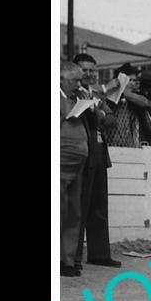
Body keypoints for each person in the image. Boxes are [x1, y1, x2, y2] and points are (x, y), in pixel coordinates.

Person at [71, 53, 121, 270]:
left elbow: (111, 120)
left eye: (93, 70)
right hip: (82, 152)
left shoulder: (96, 95)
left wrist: (98, 112)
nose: (89, 74)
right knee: (79, 205)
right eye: (85, 70)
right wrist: (97, 114)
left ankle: (99, 253)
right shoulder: (70, 94)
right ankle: (73, 256)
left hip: (100, 152)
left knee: (99, 205)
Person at [60, 60, 90, 277]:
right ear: (61, 79)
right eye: (75, 80)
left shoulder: (77, 97)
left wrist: (89, 104)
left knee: (73, 212)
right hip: (60, 160)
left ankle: (68, 259)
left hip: (77, 161)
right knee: (59, 211)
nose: (79, 85)